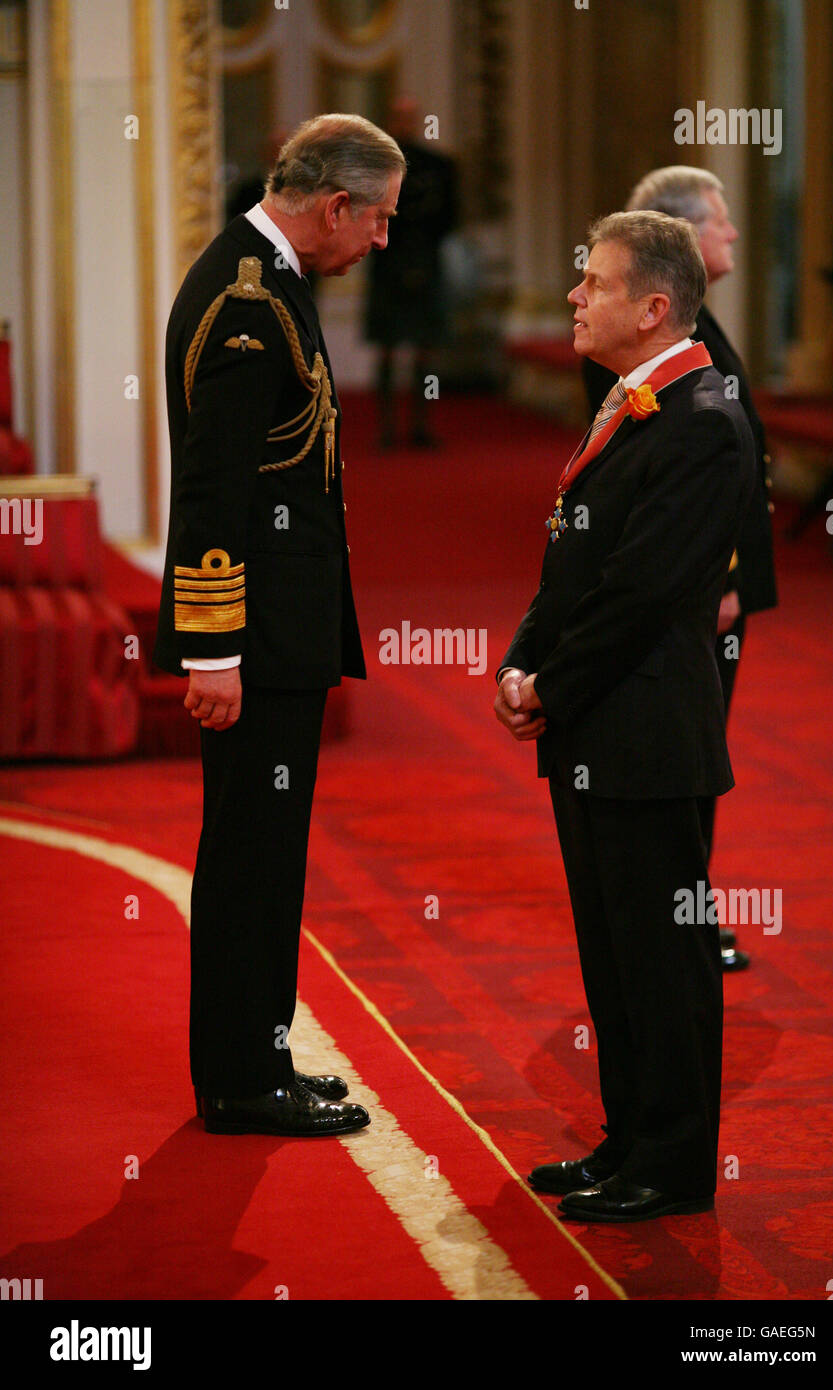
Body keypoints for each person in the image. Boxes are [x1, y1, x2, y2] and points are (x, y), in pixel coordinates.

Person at [495, 211, 756, 1222]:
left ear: (652, 308)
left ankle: (675, 1163)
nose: (573, 297)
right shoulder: (636, 398)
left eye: (592, 283)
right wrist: (524, 659)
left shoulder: (700, 418)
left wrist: (549, 687)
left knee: (660, 954)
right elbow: (578, 559)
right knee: (611, 949)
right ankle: (628, 1137)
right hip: (597, 725)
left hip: (645, 732)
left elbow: (641, 593)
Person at [154, 114, 405, 1137]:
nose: (380, 241)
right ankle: (239, 1081)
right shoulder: (248, 302)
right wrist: (212, 648)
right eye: (378, 219)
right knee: (252, 856)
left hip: (276, 632)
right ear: (335, 205)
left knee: (268, 851)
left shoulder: (265, 278)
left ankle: (258, 1056)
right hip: (252, 641)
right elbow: (214, 493)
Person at [583, 168, 778, 971]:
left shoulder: (701, 333)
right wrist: (725, 579)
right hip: (706, 585)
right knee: (687, 762)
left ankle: (690, 909)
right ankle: (685, 917)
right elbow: (676, 477)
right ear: (690, 236)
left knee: (698, 755)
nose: (732, 236)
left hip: (715, 580)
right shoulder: (640, 348)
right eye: (723, 224)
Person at [363, 95, 458, 448]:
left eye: (408, 117)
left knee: (426, 351)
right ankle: (386, 428)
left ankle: (421, 426)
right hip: (387, 265)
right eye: (397, 117)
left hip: (426, 263)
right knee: (386, 350)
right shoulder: (373, 169)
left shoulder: (439, 166)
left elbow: (450, 218)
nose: (403, 124)